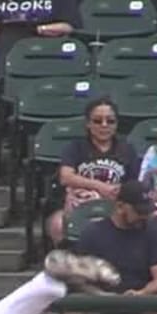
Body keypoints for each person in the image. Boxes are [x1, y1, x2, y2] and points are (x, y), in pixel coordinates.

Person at [59, 181, 157, 314]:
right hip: (101, 301)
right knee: (74, 309)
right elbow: (80, 279)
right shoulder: (93, 232)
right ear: (120, 206)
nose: (143, 216)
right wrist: (101, 296)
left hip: (141, 301)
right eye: (138, 211)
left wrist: (142, 293)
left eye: (146, 211)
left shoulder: (154, 232)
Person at [47, 98, 139, 247]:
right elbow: (65, 177)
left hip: (114, 206)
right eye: (97, 121)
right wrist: (99, 187)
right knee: (57, 224)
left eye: (110, 121)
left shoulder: (127, 149)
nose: (104, 125)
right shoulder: (75, 147)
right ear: (88, 124)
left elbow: (134, 184)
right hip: (79, 205)